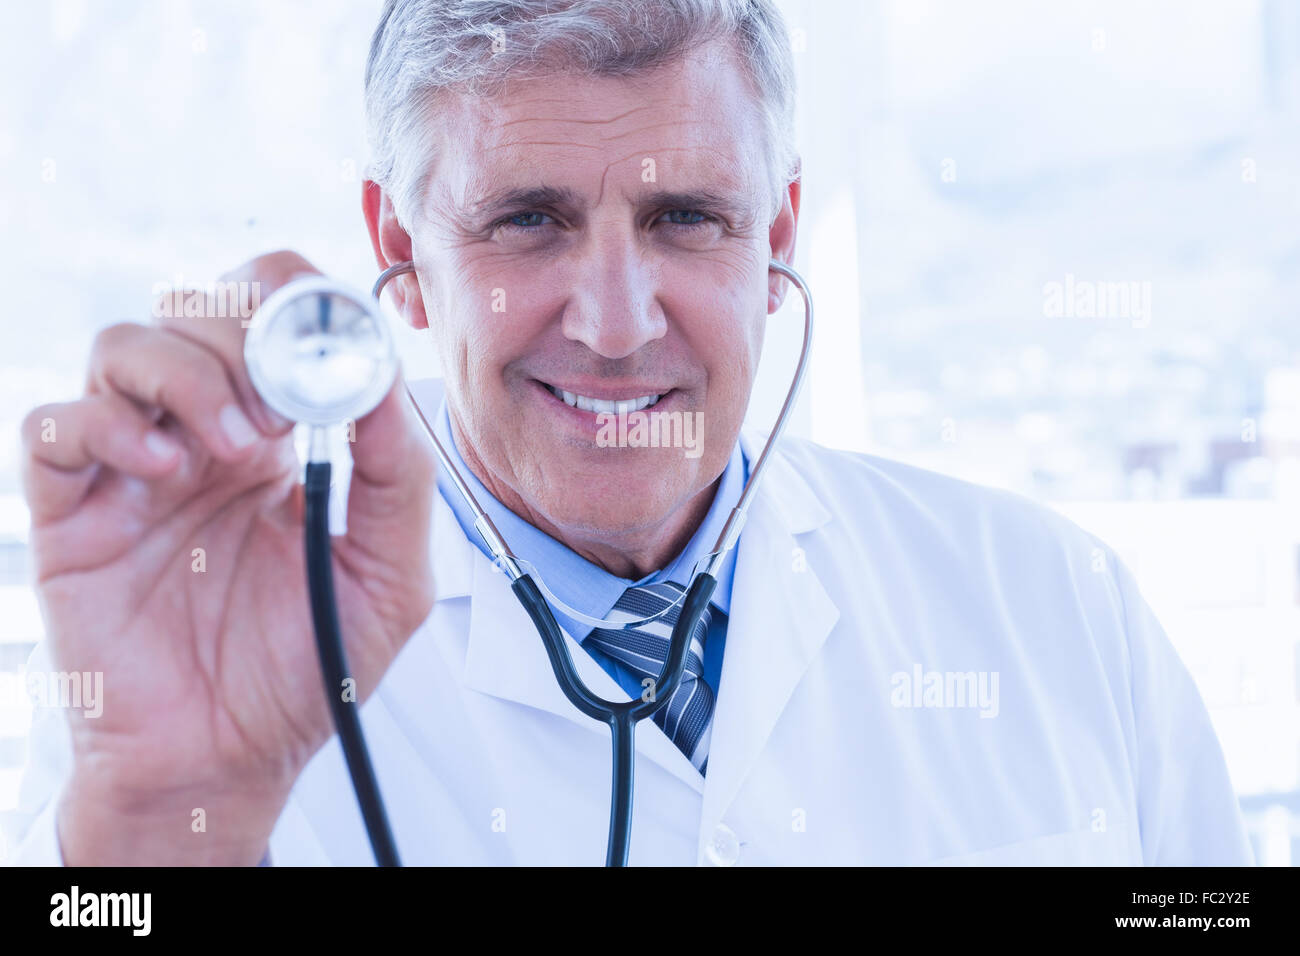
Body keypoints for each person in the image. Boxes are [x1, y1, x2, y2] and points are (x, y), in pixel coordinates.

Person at [5, 0, 1252, 866]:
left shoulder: (1056, 608)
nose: (612, 323)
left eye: (687, 218)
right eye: (527, 221)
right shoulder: (206, 675)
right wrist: (161, 821)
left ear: (777, 238)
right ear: (402, 255)